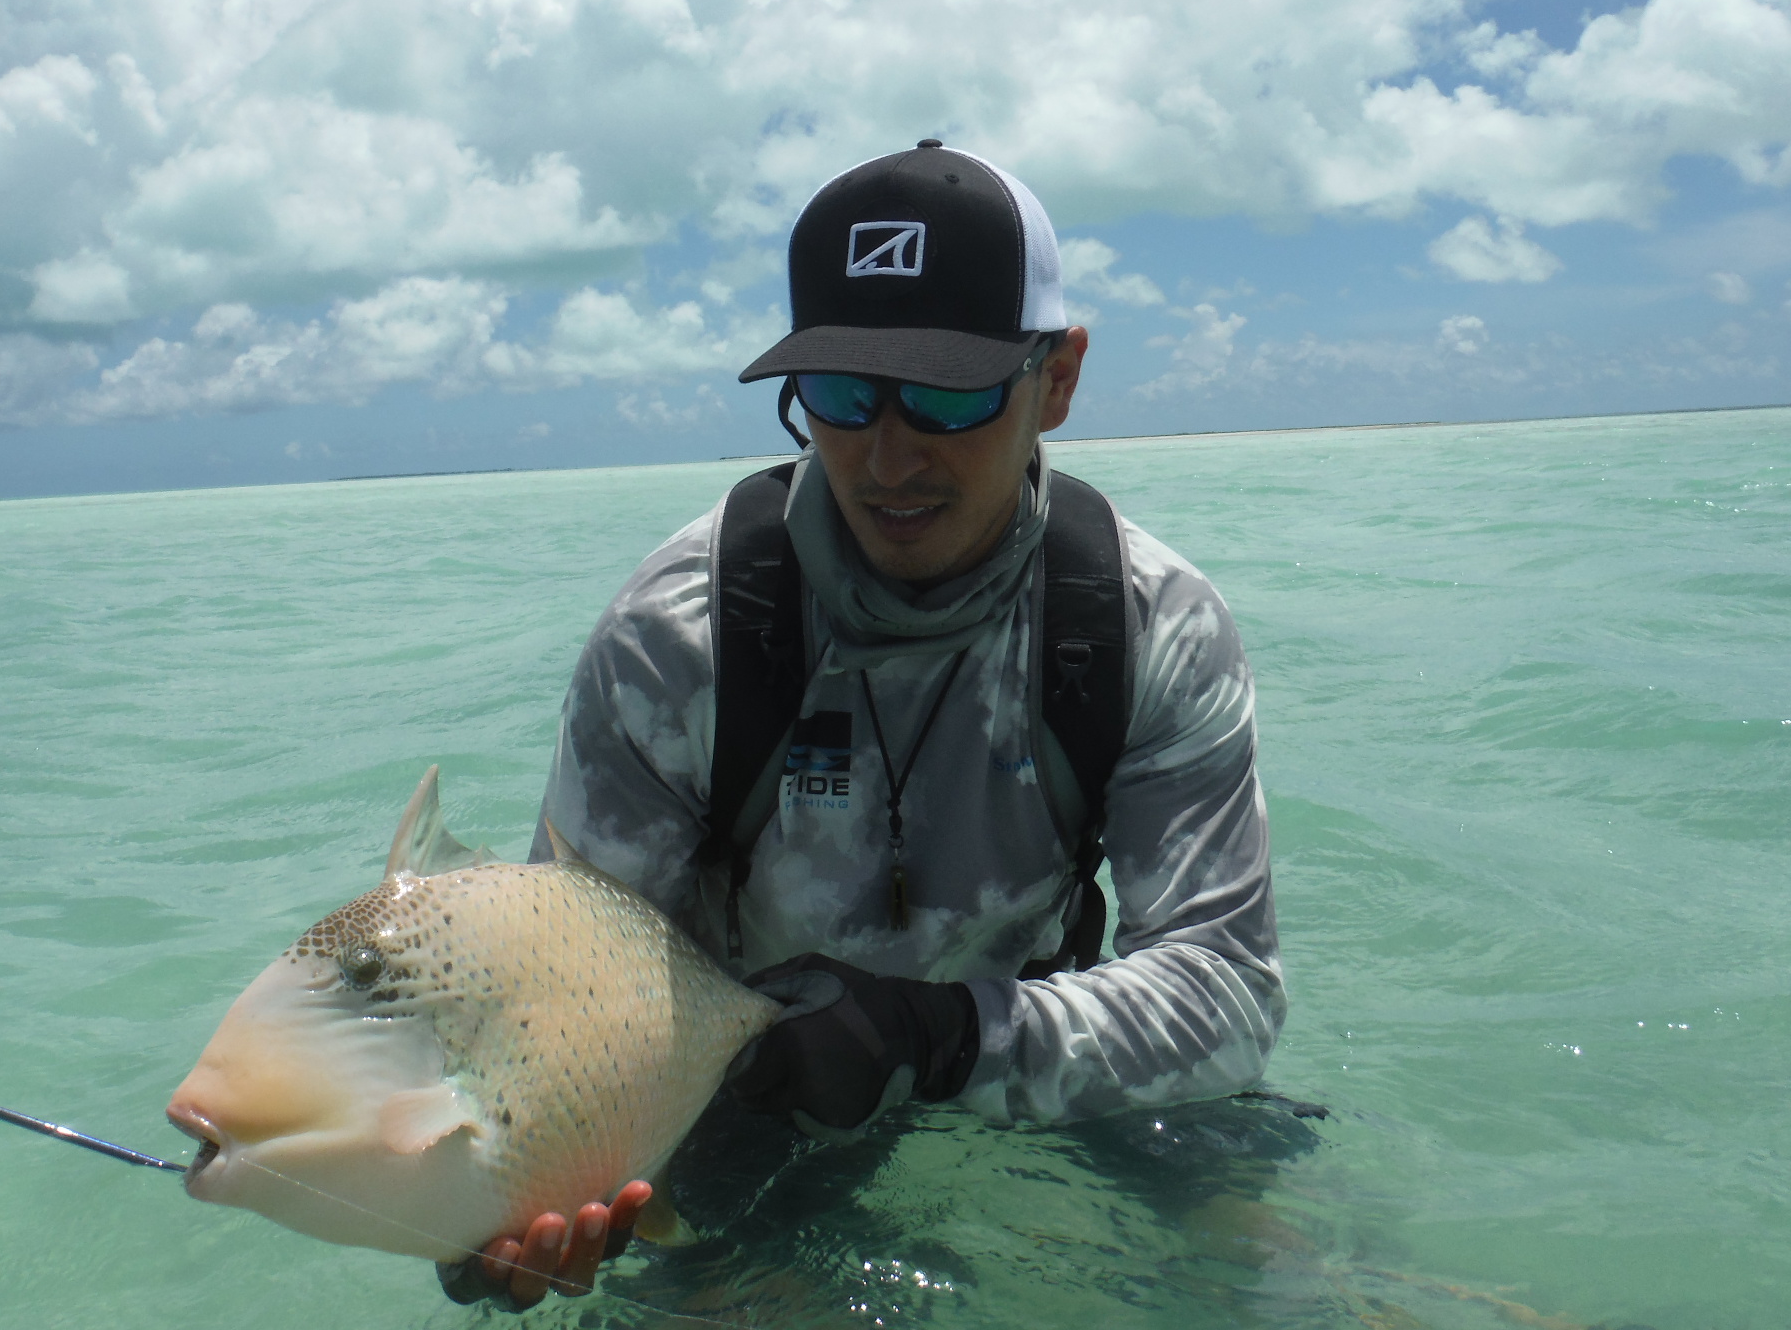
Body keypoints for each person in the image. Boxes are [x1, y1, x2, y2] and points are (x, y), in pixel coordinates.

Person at [447, 140, 1285, 1310]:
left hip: (1027, 1052)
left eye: (946, 394)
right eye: (841, 397)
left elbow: (1224, 997)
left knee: (1286, 1273)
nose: (886, 458)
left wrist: (932, 1040)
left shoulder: (1148, 625)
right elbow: (571, 997)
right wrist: (502, 1174)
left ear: (1058, 378)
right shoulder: (678, 637)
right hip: (740, 1112)